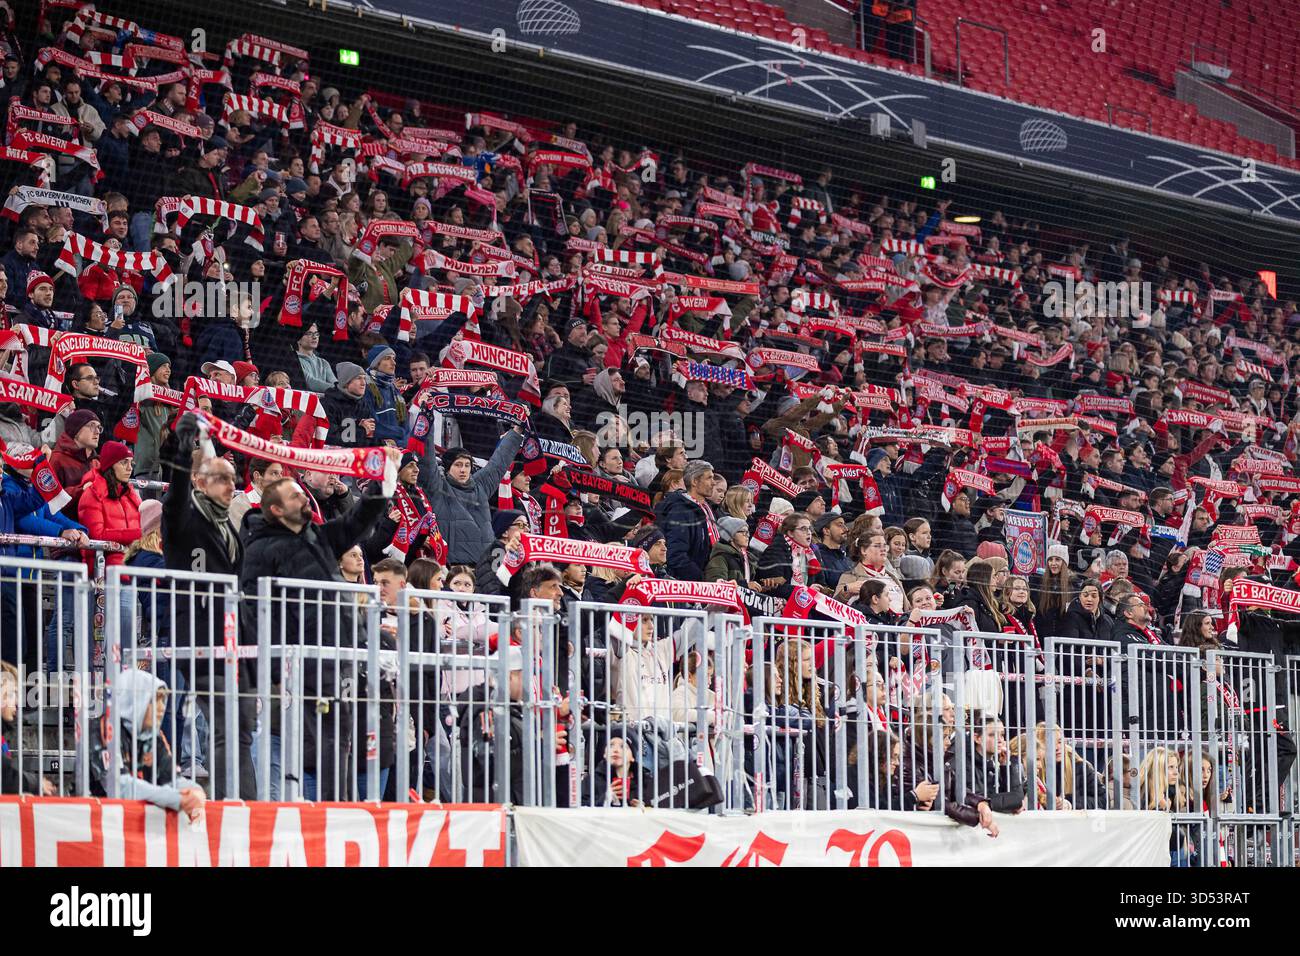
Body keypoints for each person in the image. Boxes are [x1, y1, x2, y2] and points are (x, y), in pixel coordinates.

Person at [239, 451, 400, 801]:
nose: (303, 496)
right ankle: (320, 818)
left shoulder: (320, 537)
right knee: (319, 744)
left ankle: (340, 816)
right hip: (299, 664)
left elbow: (358, 521)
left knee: (341, 739)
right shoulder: (261, 550)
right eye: (294, 494)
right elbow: (253, 612)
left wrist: (384, 481)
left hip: (339, 655)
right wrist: (266, 674)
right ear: (277, 510)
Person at [162, 414, 253, 799]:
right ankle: (234, 803)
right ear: (200, 482)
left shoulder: (233, 526)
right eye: (221, 477)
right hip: (200, 639)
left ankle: (240, 803)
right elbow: (177, 491)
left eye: (233, 478)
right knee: (224, 725)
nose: (230, 484)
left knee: (241, 730)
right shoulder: (182, 517)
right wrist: (185, 447)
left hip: (237, 644)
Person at [83, 668, 206, 821]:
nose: (162, 708)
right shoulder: (103, 729)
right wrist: (177, 798)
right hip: (93, 820)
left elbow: (172, 779)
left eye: (163, 700)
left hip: (131, 822)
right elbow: (119, 787)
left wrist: (194, 791)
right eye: (155, 700)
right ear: (136, 700)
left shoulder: (153, 736)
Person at [420, 429, 525, 564]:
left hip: (485, 565)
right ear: (447, 467)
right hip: (452, 567)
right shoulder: (437, 487)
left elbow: (499, 463)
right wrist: (427, 421)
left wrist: (516, 432)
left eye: (467, 465)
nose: (463, 470)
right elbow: (426, 461)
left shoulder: (480, 486)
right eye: (458, 465)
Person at [659, 460, 718, 582]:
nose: (713, 483)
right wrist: (702, 580)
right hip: (685, 586)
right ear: (694, 481)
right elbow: (676, 555)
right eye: (709, 478)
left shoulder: (706, 509)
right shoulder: (680, 512)